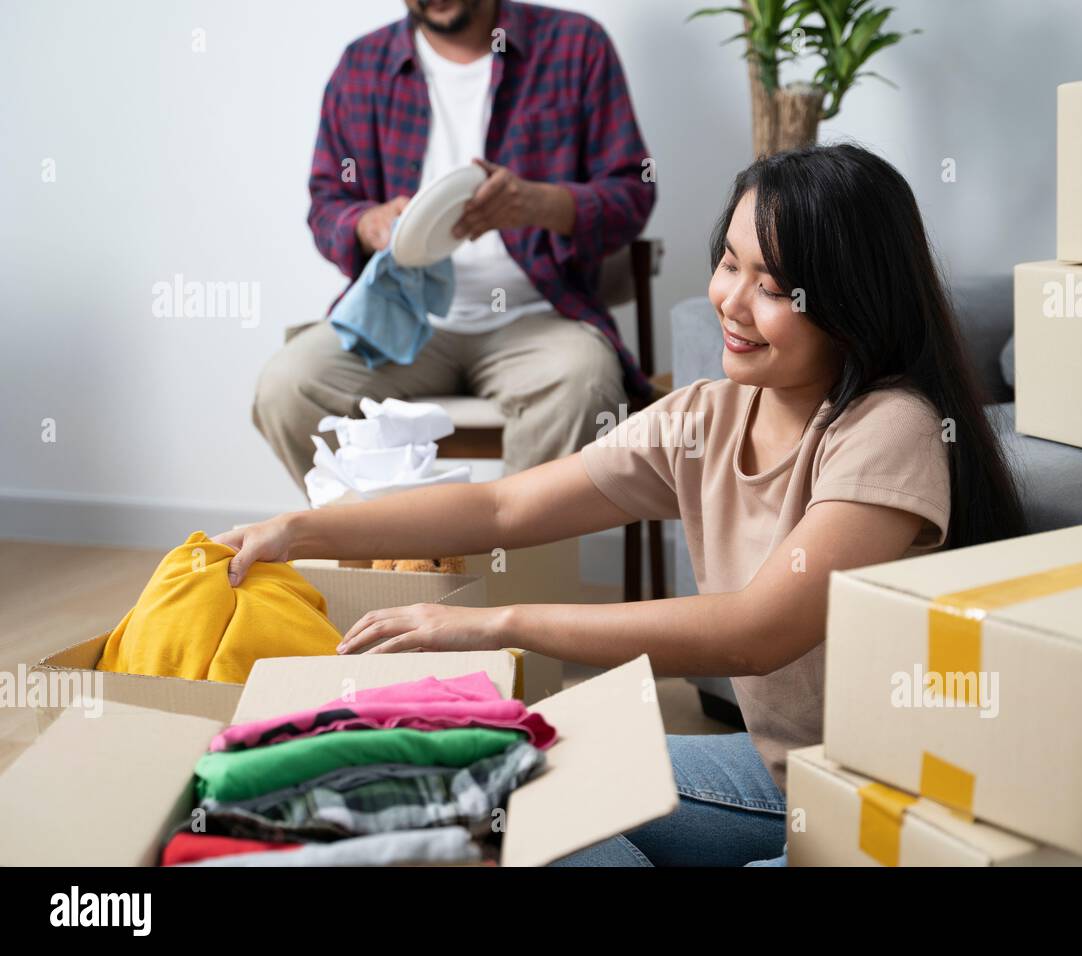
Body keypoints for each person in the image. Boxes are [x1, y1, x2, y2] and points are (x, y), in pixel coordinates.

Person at [218, 143, 1026, 866]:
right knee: (512, 799)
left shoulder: (891, 428)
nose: (732, 302)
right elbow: (503, 511)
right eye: (731, 263)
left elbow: (756, 633)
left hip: (892, 809)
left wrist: (497, 622)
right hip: (780, 770)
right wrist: (297, 528)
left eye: (774, 286)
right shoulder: (705, 416)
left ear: (853, 305)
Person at [252, 0, 655, 488]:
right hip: (401, 317)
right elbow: (326, 204)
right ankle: (394, 551)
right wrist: (366, 223)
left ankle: (513, 559)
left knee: (584, 383)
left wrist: (540, 203)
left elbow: (632, 191)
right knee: (287, 387)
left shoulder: (576, 44)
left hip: (539, 317)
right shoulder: (362, 65)